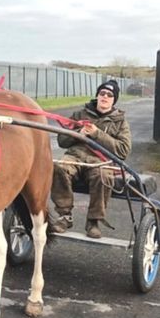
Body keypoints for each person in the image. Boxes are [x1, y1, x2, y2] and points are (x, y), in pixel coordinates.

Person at [50, 80, 131, 239]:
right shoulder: (80, 114)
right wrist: (79, 132)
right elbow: (62, 141)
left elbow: (123, 150)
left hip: (101, 161)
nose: (105, 97)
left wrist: (96, 134)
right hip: (76, 157)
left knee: (103, 177)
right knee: (59, 167)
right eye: (102, 93)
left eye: (109, 95)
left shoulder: (120, 122)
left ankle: (93, 222)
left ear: (114, 100)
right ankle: (65, 216)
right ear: (97, 96)